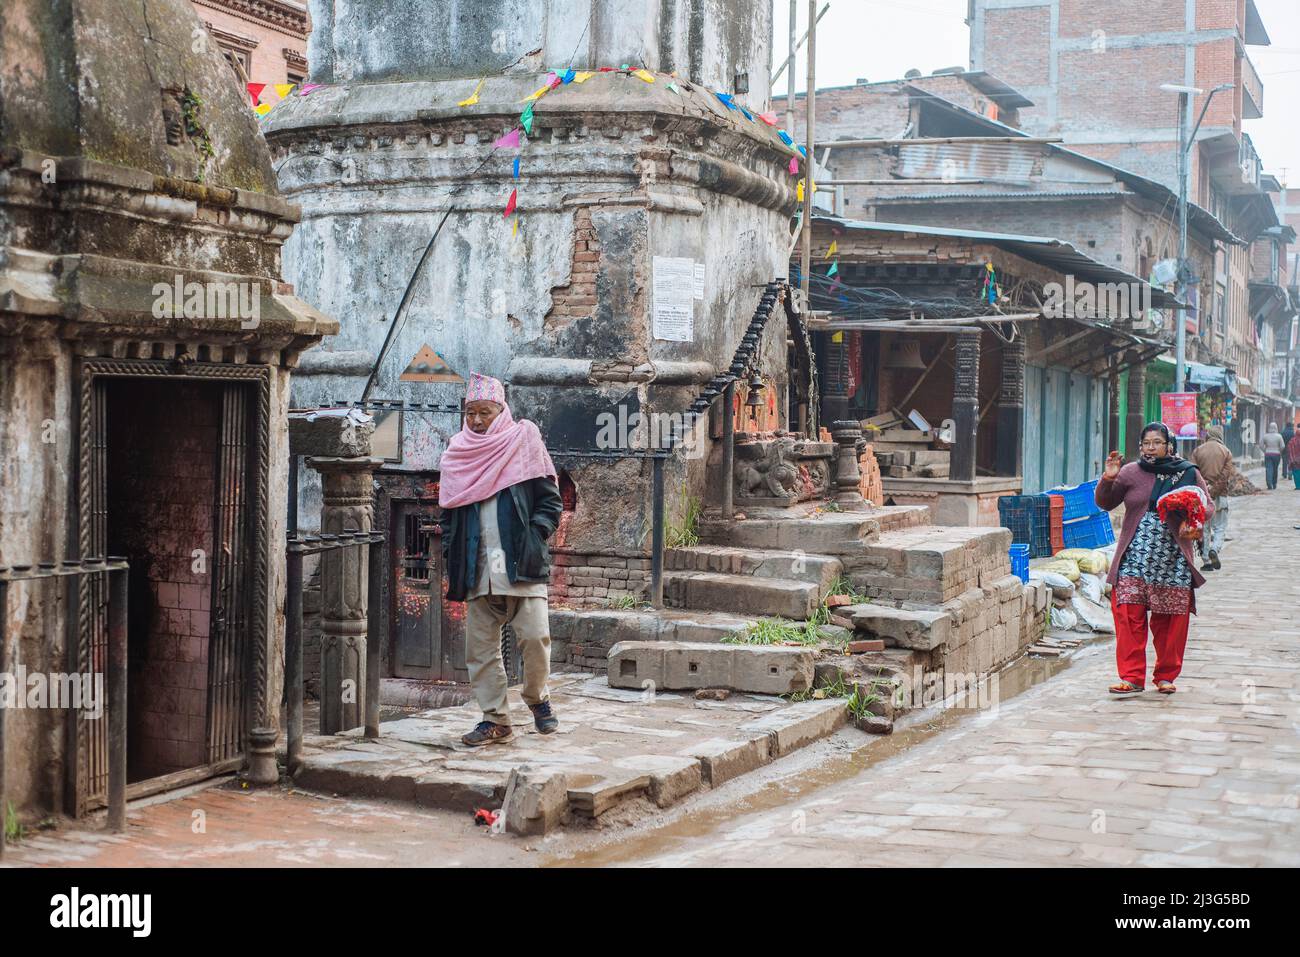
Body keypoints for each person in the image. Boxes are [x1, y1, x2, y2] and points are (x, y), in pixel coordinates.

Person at [438, 373, 564, 746]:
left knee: (535, 637)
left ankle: (538, 699)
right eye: (471, 412)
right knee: (480, 652)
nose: (476, 420)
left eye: (485, 412)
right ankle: (495, 720)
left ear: (501, 410)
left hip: (521, 566)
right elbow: (447, 513)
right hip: (477, 569)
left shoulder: (522, 441)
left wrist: (534, 533)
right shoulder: (458, 453)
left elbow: (550, 500)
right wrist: (452, 550)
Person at [1095, 423, 1213, 696]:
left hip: (1172, 559)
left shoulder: (1187, 473)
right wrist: (1109, 478)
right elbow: (1105, 502)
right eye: (1146, 442)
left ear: (1168, 445)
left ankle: (1165, 676)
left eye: (1157, 442)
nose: (1151, 447)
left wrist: (1193, 508)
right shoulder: (1130, 472)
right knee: (1128, 615)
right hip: (1134, 557)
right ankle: (1132, 677)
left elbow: (1208, 505)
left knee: (1170, 621)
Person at [1190, 425, 1232, 570]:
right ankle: (1215, 548)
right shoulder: (1226, 452)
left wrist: (1206, 490)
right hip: (1220, 494)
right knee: (1220, 527)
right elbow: (1225, 476)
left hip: (1202, 495)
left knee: (1205, 529)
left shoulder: (1197, 450)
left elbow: (1193, 473)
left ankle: (1206, 561)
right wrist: (1213, 492)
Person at [1261, 422, 1285, 489]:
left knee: (1269, 469)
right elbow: (1283, 446)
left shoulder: (1265, 436)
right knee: (1275, 469)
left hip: (1268, 454)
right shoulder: (1279, 436)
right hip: (1276, 454)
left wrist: (1265, 450)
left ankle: (1269, 483)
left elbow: (1261, 445)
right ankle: (1274, 484)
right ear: (1276, 428)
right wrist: (1279, 451)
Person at [1290, 426, 1300, 491]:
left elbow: (1290, 450)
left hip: (1295, 459)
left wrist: (1292, 459)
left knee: (1296, 473)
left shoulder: (1292, 440)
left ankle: (1298, 486)